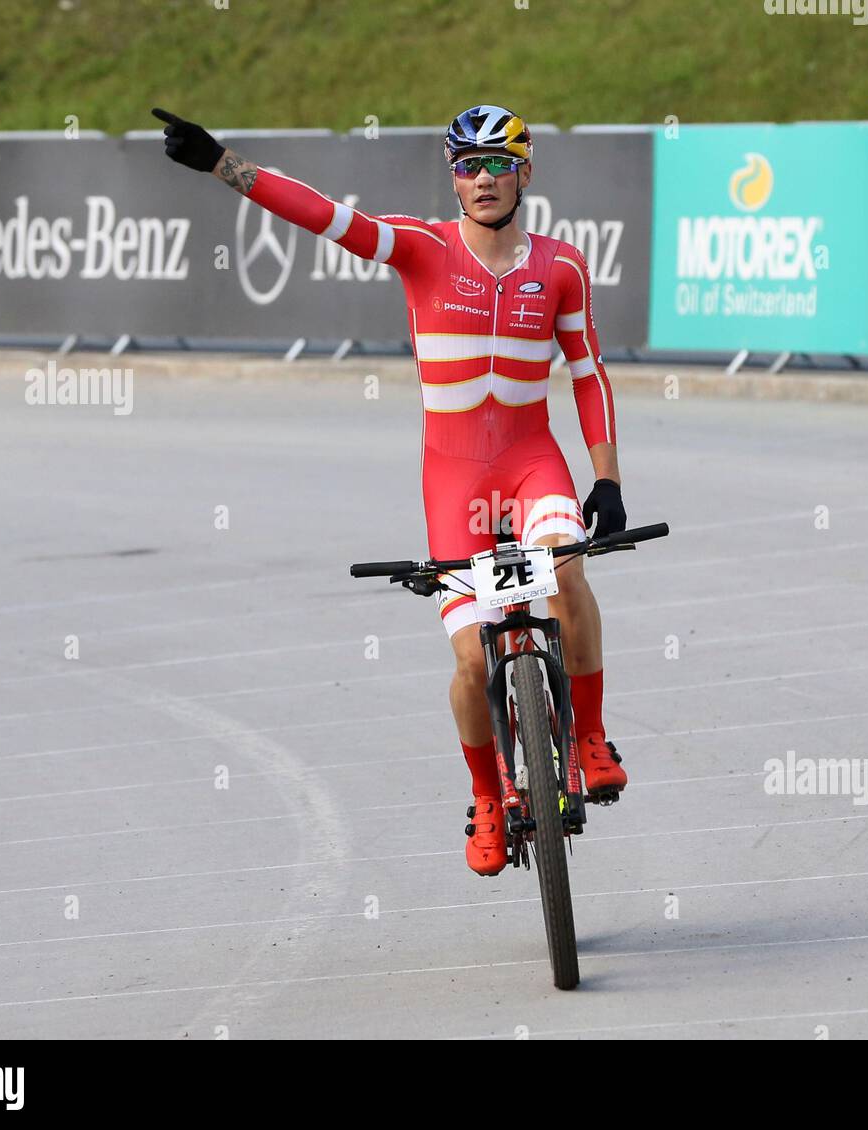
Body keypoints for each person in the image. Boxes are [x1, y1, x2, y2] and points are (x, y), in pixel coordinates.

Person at [154, 104, 628, 876]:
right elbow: (324, 217)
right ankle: (485, 796)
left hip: (531, 461)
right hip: (454, 479)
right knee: (473, 664)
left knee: (567, 572)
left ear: (525, 173)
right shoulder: (421, 249)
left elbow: (588, 373)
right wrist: (222, 164)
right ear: (453, 177)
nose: (481, 180)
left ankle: (589, 735)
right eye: (467, 166)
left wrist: (605, 477)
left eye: (497, 164)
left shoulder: (562, 267)